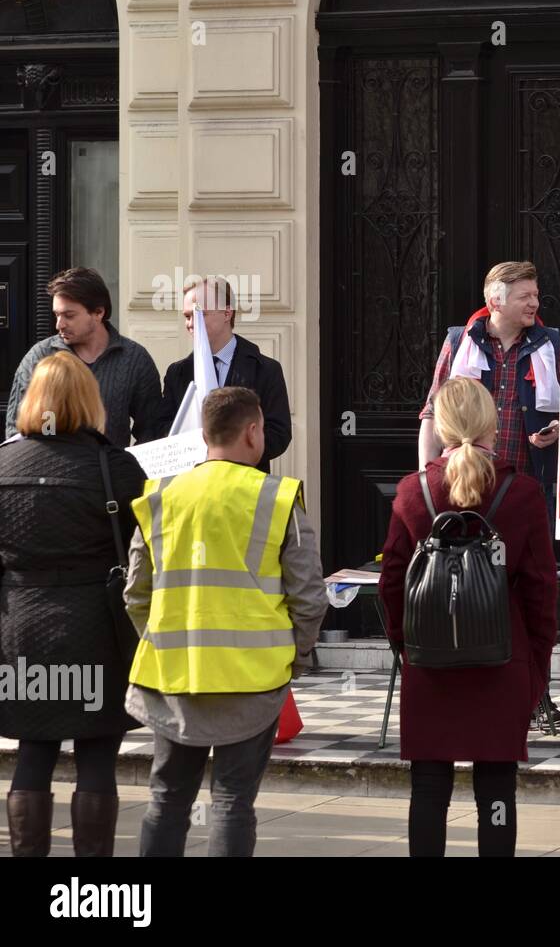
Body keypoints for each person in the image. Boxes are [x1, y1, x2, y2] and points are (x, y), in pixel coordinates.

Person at [124, 387, 327, 857]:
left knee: (167, 800)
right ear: (253, 432)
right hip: (252, 680)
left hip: (173, 679)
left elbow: (136, 591)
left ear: (204, 435)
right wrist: (291, 657)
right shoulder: (277, 498)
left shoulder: (160, 496)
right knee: (234, 802)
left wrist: (159, 641)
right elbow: (309, 597)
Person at [379, 377, 557, 857]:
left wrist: (405, 646)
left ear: (439, 429)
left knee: (429, 787)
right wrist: (537, 663)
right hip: (503, 657)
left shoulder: (412, 492)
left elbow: (391, 580)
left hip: (430, 659)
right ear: (493, 423)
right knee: (497, 789)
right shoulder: (520, 492)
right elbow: (542, 588)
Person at [1, 353, 146, 856]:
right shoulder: (116, 468)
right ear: (90, 401)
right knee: (98, 753)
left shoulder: (3, 463)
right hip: (96, 625)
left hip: (21, 625)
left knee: (33, 751)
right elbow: (145, 551)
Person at [417, 262, 560, 506]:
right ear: (495, 302)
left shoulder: (551, 344)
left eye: (535, 295)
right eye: (524, 296)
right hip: (464, 482)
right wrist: (425, 478)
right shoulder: (459, 341)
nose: (534, 303)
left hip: (527, 486)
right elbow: (432, 412)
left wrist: (557, 430)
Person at [5, 267, 163, 447]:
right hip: (49, 472)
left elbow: (152, 432)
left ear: (98, 313)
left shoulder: (134, 360)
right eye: (56, 314)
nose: (59, 324)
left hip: (109, 473)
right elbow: (15, 430)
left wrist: (127, 469)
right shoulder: (39, 357)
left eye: (69, 316)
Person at [159, 277, 292, 473]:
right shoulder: (177, 373)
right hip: (194, 485)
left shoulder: (266, 369)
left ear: (227, 313)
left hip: (245, 486)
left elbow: (279, 434)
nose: (191, 323)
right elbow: (164, 429)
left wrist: (228, 453)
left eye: (200, 314)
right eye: (187, 316)